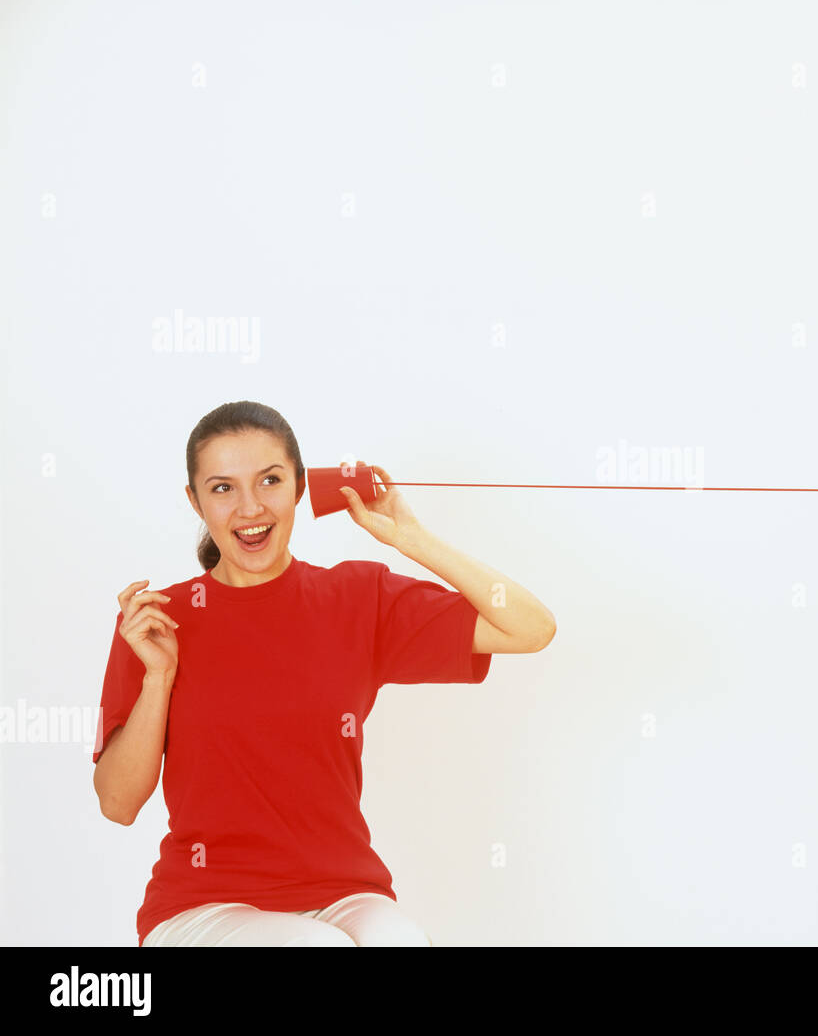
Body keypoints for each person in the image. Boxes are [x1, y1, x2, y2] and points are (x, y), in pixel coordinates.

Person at [91, 401, 556, 946]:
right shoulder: (156, 623)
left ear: (300, 487)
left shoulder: (357, 599)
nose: (249, 508)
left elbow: (530, 628)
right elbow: (116, 804)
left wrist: (411, 539)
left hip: (345, 893)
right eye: (223, 488)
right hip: (202, 906)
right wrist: (158, 678)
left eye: (269, 480)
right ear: (195, 500)